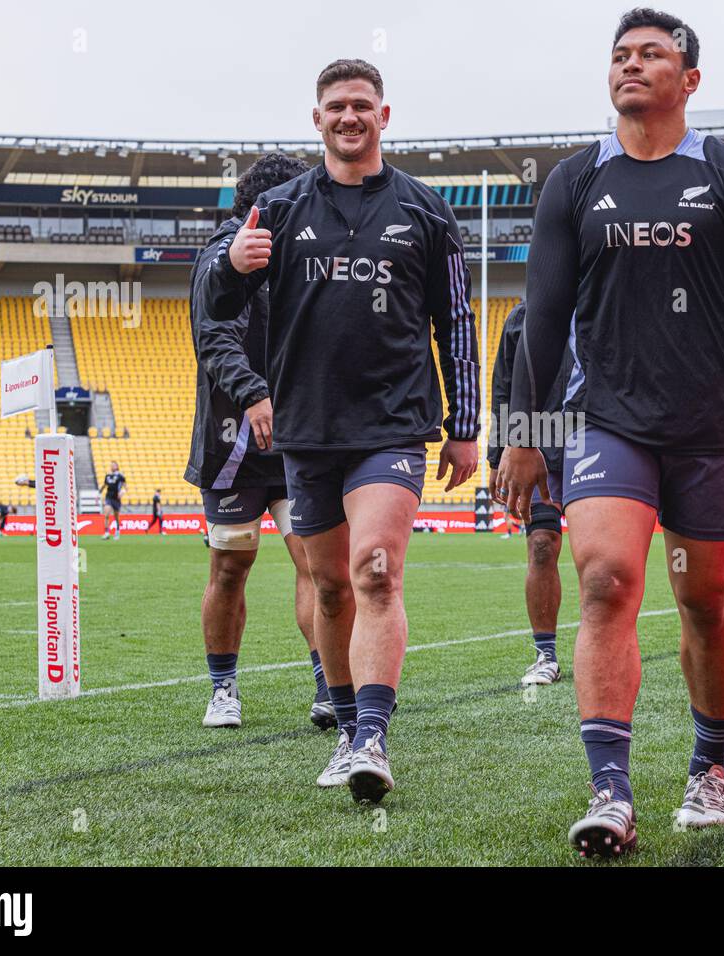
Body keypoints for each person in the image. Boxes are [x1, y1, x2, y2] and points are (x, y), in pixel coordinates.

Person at [498, 8, 724, 857]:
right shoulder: (572, 182)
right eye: (620, 55)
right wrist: (526, 431)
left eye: (652, 55)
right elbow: (544, 318)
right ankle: (611, 792)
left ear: (690, 80)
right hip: (608, 420)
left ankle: (711, 767)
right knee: (605, 582)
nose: (631, 65)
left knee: (704, 601)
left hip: (709, 425)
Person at [199, 60, 480, 804]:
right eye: (335, 106)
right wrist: (231, 265)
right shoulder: (281, 210)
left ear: (384, 116)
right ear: (316, 118)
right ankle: (351, 724)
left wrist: (466, 426)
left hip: (391, 426)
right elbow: (220, 304)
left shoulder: (426, 211)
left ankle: (373, 740)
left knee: (376, 570)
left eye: (362, 105)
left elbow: (455, 321)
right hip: (307, 430)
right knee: (329, 590)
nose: (349, 116)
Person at [189, 152, 338, 730]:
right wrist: (253, 395)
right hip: (233, 441)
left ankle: (328, 681)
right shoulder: (223, 252)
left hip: (299, 436)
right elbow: (214, 334)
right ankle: (223, 687)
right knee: (231, 565)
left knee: (316, 560)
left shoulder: (303, 249)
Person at [488, 300, 574, 685]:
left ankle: (605, 642)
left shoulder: (601, 304)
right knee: (541, 544)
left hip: (593, 439)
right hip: (536, 446)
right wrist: (496, 456)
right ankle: (546, 655)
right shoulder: (521, 317)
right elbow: (503, 388)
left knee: (598, 557)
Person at [100, 461, 125, 539]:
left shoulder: (120, 476)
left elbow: (125, 487)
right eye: (111, 465)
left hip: (116, 499)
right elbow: (104, 485)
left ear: (117, 467)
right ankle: (107, 532)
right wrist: (98, 493)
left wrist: (122, 492)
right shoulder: (108, 476)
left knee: (116, 517)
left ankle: (117, 530)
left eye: (114, 465)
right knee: (106, 514)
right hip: (108, 497)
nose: (112, 466)